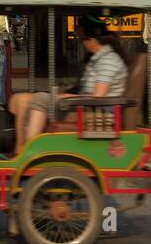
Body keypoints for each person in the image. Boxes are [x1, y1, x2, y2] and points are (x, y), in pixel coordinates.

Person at [8, 18, 127, 153]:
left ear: (91, 40)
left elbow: (98, 97)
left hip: (98, 113)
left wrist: (67, 97)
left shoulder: (109, 60)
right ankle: (20, 148)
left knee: (41, 98)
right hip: (86, 107)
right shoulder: (97, 59)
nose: (82, 44)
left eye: (82, 40)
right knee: (24, 99)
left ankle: (29, 149)